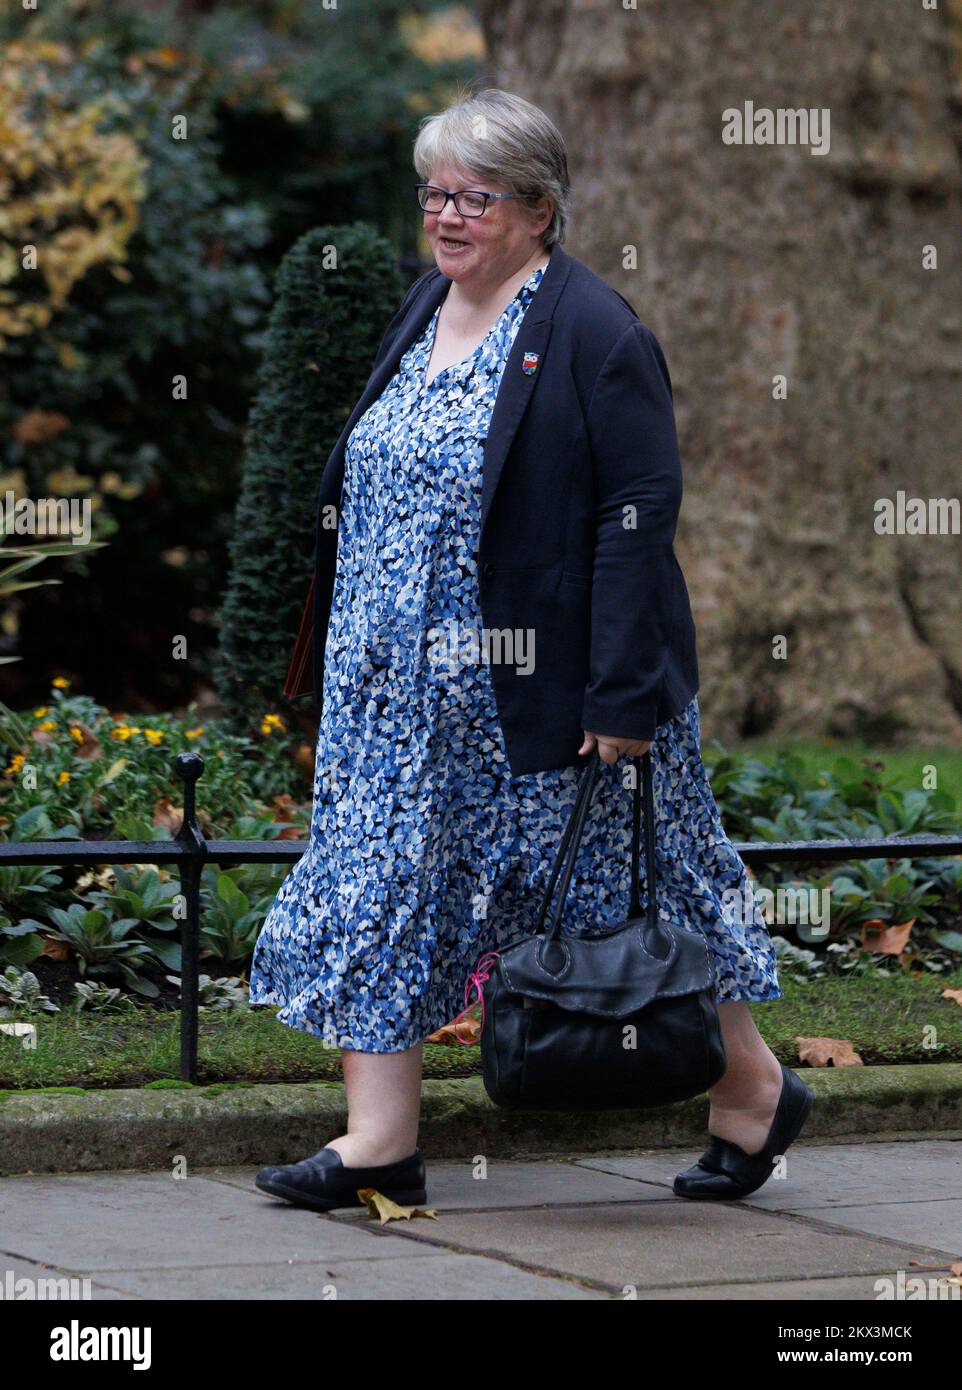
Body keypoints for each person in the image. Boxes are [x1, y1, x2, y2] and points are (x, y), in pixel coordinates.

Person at [248, 86, 813, 1213]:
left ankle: (751, 1087)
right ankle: (378, 1141)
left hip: (538, 689)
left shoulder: (592, 330)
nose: (448, 217)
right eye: (435, 194)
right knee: (379, 884)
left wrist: (621, 695)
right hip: (393, 698)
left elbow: (638, 518)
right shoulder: (425, 306)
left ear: (540, 209)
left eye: (478, 197)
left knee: (636, 900)